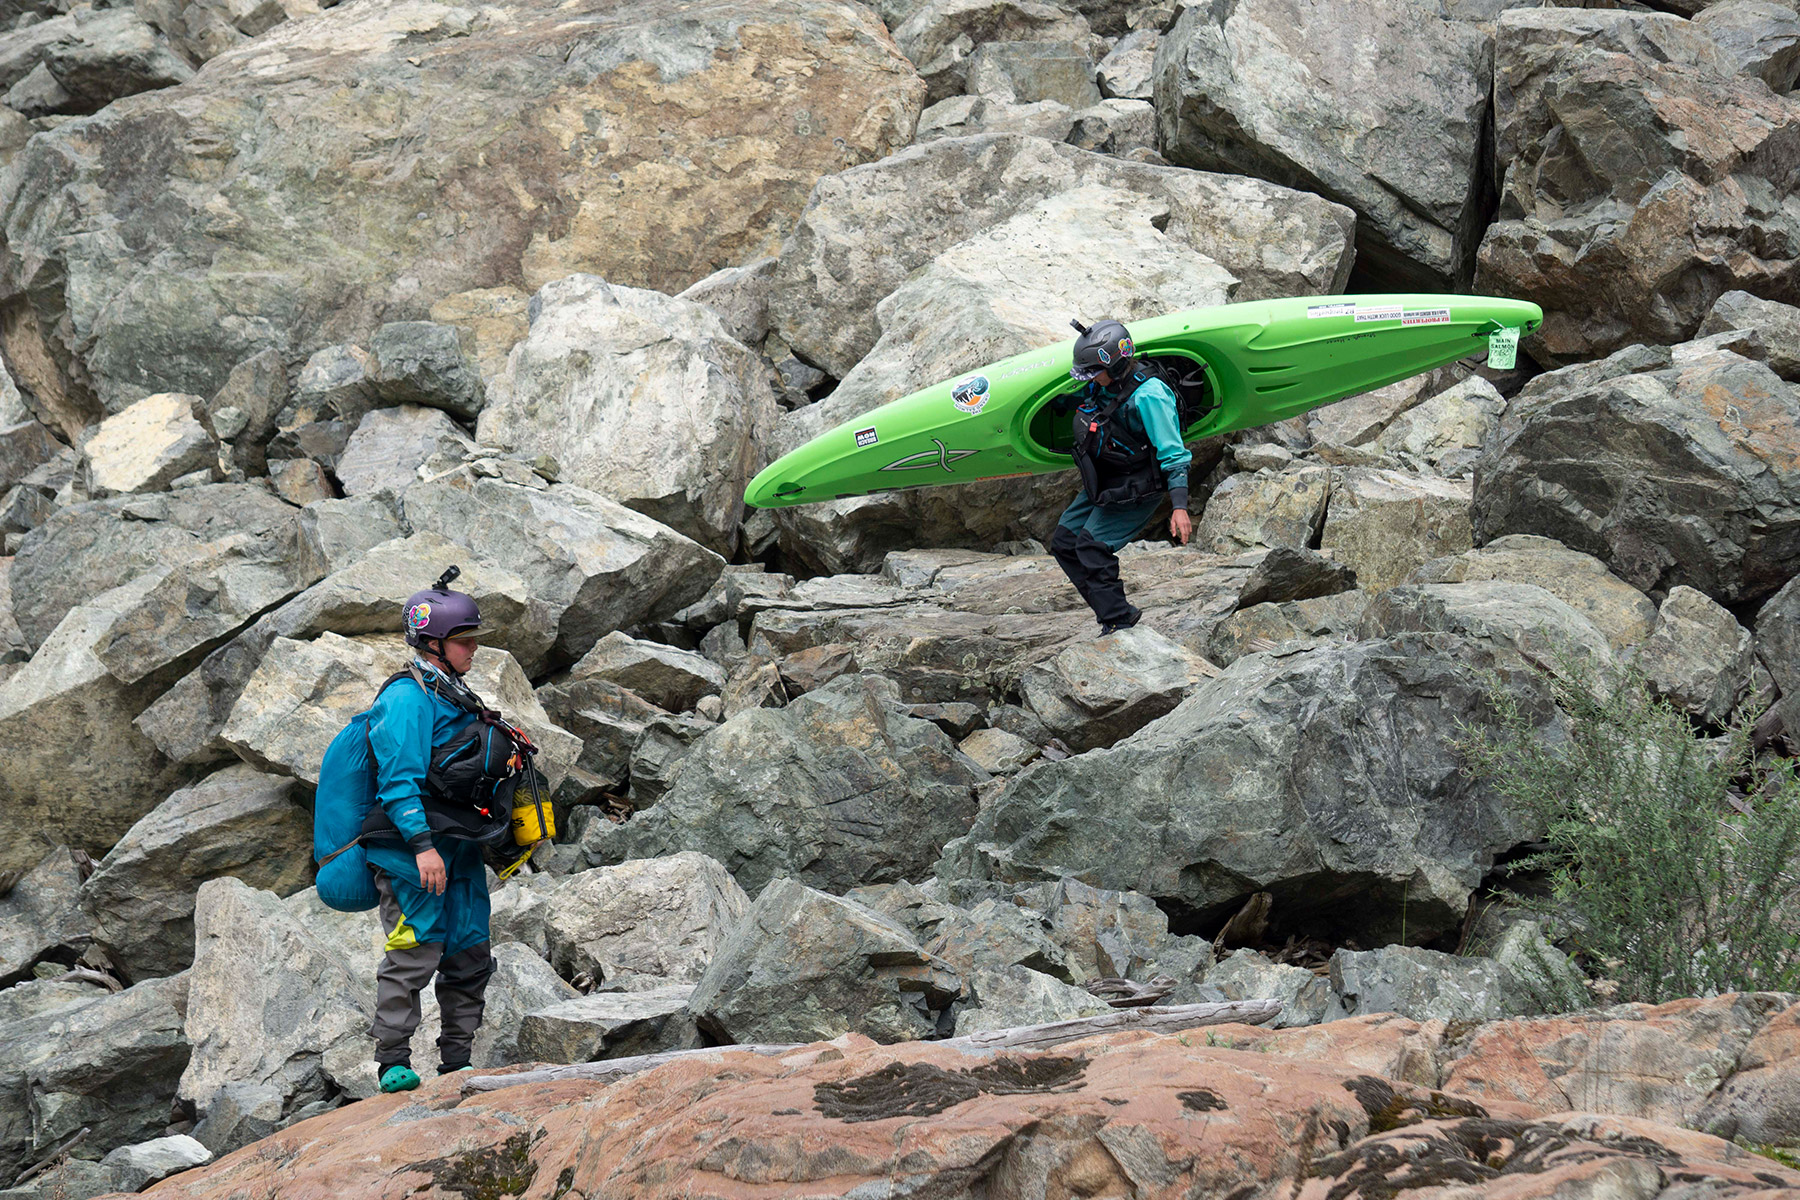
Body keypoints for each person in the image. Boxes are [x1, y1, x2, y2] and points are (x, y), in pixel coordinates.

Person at [362, 574, 499, 1094]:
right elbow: (398, 782)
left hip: (457, 846)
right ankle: (393, 1061)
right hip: (409, 851)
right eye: (465, 641)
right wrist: (421, 847)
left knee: (470, 949)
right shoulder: (407, 699)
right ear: (431, 644)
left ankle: (457, 1062)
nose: (473, 650)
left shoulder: (453, 694)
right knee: (417, 948)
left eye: (473, 639)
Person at [1048, 318, 1193, 634]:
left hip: (1140, 485)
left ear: (1115, 366)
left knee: (1091, 548)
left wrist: (1179, 507)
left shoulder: (1150, 395)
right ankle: (1110, 610)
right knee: (1064, 542)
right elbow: (1089, 403)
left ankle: (1119, 619)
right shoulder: (1104, 383)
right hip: (1109, 475)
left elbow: (1174, 453)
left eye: (1093, 372)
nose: (1091, 379)